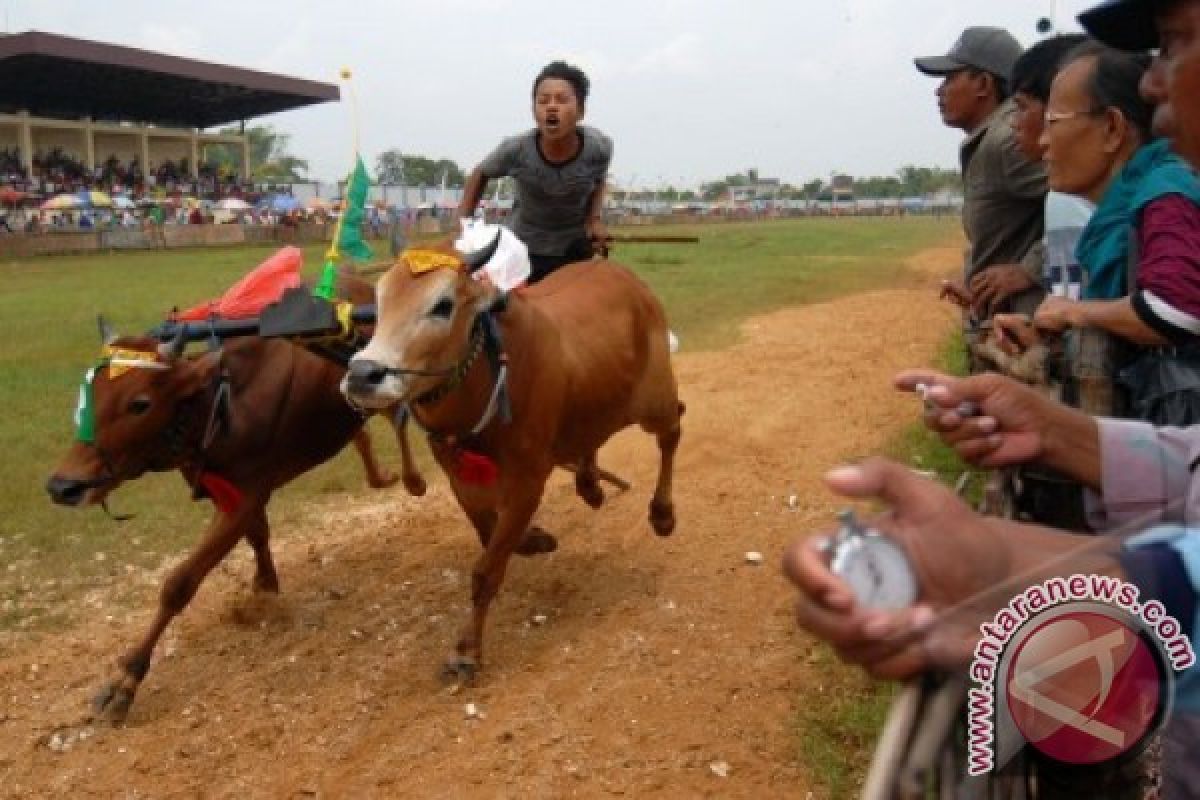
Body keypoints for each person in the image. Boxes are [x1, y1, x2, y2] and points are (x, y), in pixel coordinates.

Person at [915, 27, 1048, 321]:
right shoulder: (992, 138)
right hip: (1007, 322)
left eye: (950, 78)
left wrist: (1031, 269)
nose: (939, 90)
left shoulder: (1009, 139)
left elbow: (1086, 203)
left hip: (1025, 324)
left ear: (984, 84)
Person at [457, 61, 613, 284]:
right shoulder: (516, 150)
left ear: (580, 111)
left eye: (562, 100)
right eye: (543, 100)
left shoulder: (598, 147)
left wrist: (594, 220)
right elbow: (481, 172)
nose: (551, 106)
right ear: (533, 110)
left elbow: (599, 178)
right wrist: (463, 224)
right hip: (523, 247)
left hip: (575, 247)